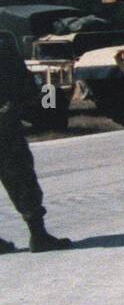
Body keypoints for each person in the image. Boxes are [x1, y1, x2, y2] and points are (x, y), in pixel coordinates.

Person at [0, 31, 72, 253]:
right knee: (20, 175)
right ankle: (38, 235)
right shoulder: (4, 40)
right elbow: (22, 82)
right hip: (4, 119)